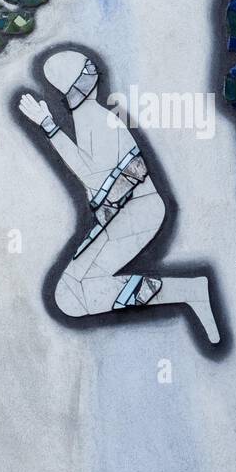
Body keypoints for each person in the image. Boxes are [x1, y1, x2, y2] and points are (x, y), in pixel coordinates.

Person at [18, 48, 220, 344]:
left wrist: (49, 126)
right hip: (128, 215)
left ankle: (188, 292)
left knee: (71, 295)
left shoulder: (95, 118)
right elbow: (95, 177)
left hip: (137, 212)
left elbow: (95, 178)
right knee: (71, 294)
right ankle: (186, 291)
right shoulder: (88, 118)